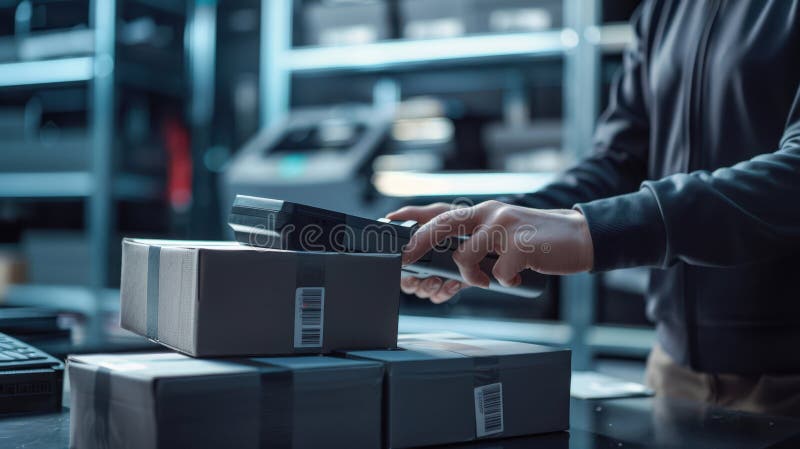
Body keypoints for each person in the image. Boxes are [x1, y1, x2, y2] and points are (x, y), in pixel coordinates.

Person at [388, 0, 800, 417]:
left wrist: (590, 231)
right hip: (672, 373)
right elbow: (618, 161)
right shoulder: (665, 9)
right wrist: (489, 222)